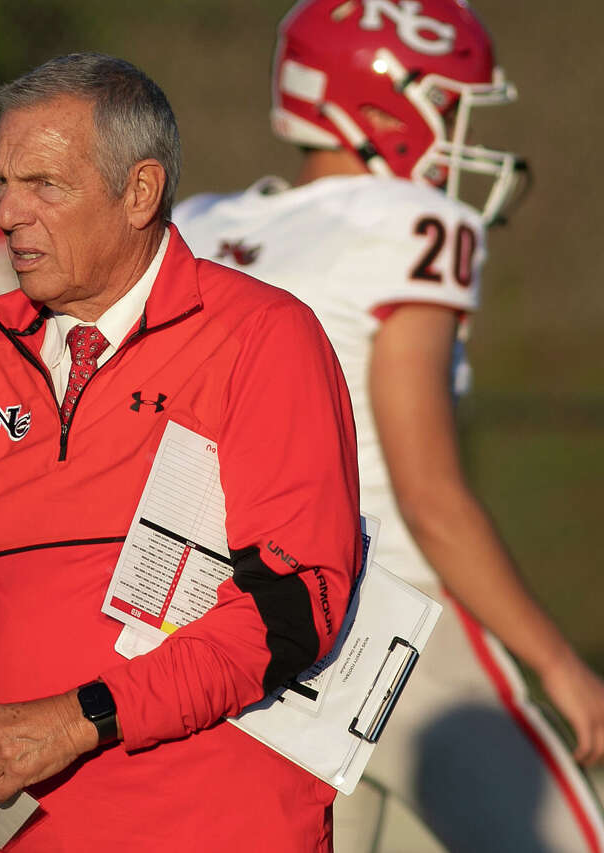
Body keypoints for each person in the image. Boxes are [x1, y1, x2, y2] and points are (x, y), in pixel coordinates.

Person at [0, 52, 361, 850]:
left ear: (139, 192)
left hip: (216, 828)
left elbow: (297, 600)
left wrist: (79, 720)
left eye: (44, 184)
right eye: (3, 182)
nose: (7, 213)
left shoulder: (260, 335)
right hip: (15, 833)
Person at [170, 2, 604, 851]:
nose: (459, 132)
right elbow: (429, 498)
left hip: (215, 616)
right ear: (377, 106)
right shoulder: (412, 225)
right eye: (446, 105)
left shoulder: (203, 225)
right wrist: (557, 662)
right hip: (382, 604)